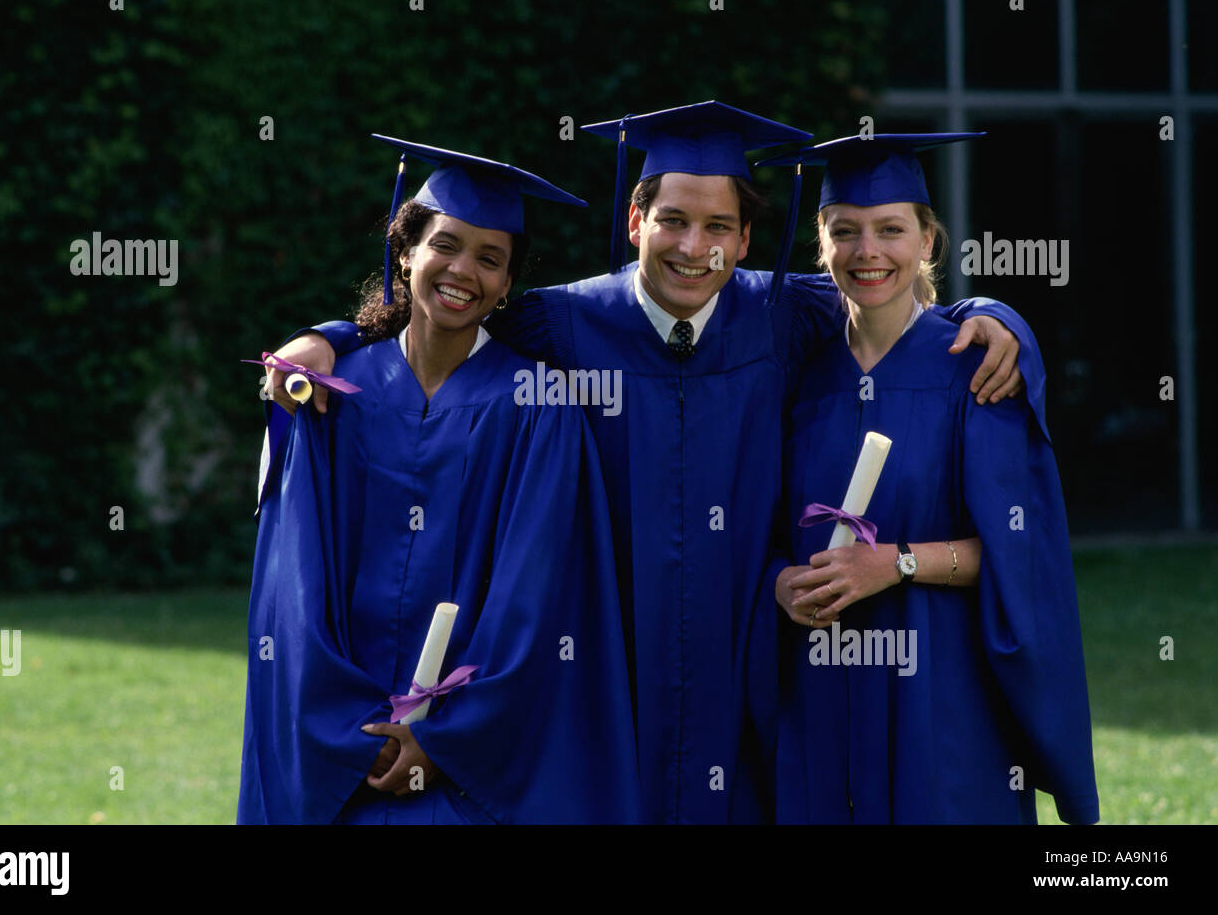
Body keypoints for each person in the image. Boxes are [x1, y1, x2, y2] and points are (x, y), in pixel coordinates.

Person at [261, 103, 1043, 823]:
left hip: (739, 658)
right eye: (671, 219)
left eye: (717, 228)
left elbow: (887, 298)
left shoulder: (782, 313)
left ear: (743, 240)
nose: (693, 247)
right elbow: (447, 316)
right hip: (605, 661)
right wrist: (331, 337)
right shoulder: (564, 323)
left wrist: (993, 314)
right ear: (636, 219)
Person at [237, 137, 642, 824]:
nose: (464, 271)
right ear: (405, 252)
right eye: (446, 246)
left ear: (509, 283)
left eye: (490, 259)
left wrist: (446, 740)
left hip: (471, 764)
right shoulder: (334, 397)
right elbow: (290, 587)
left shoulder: (539, 407)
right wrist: (347, 732)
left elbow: (538, 599)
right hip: (347, 753)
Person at [758, 133, 1099, 823]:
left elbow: (1021, 549)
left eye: (891, 230)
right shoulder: (796, 377)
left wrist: (898, 563)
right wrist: (779, 583)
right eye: (844, 231)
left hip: (942, 696)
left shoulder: (975, 369)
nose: (868, 252)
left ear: (928, 243)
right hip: (821, 690)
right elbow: (757, 527)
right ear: (821, 246)